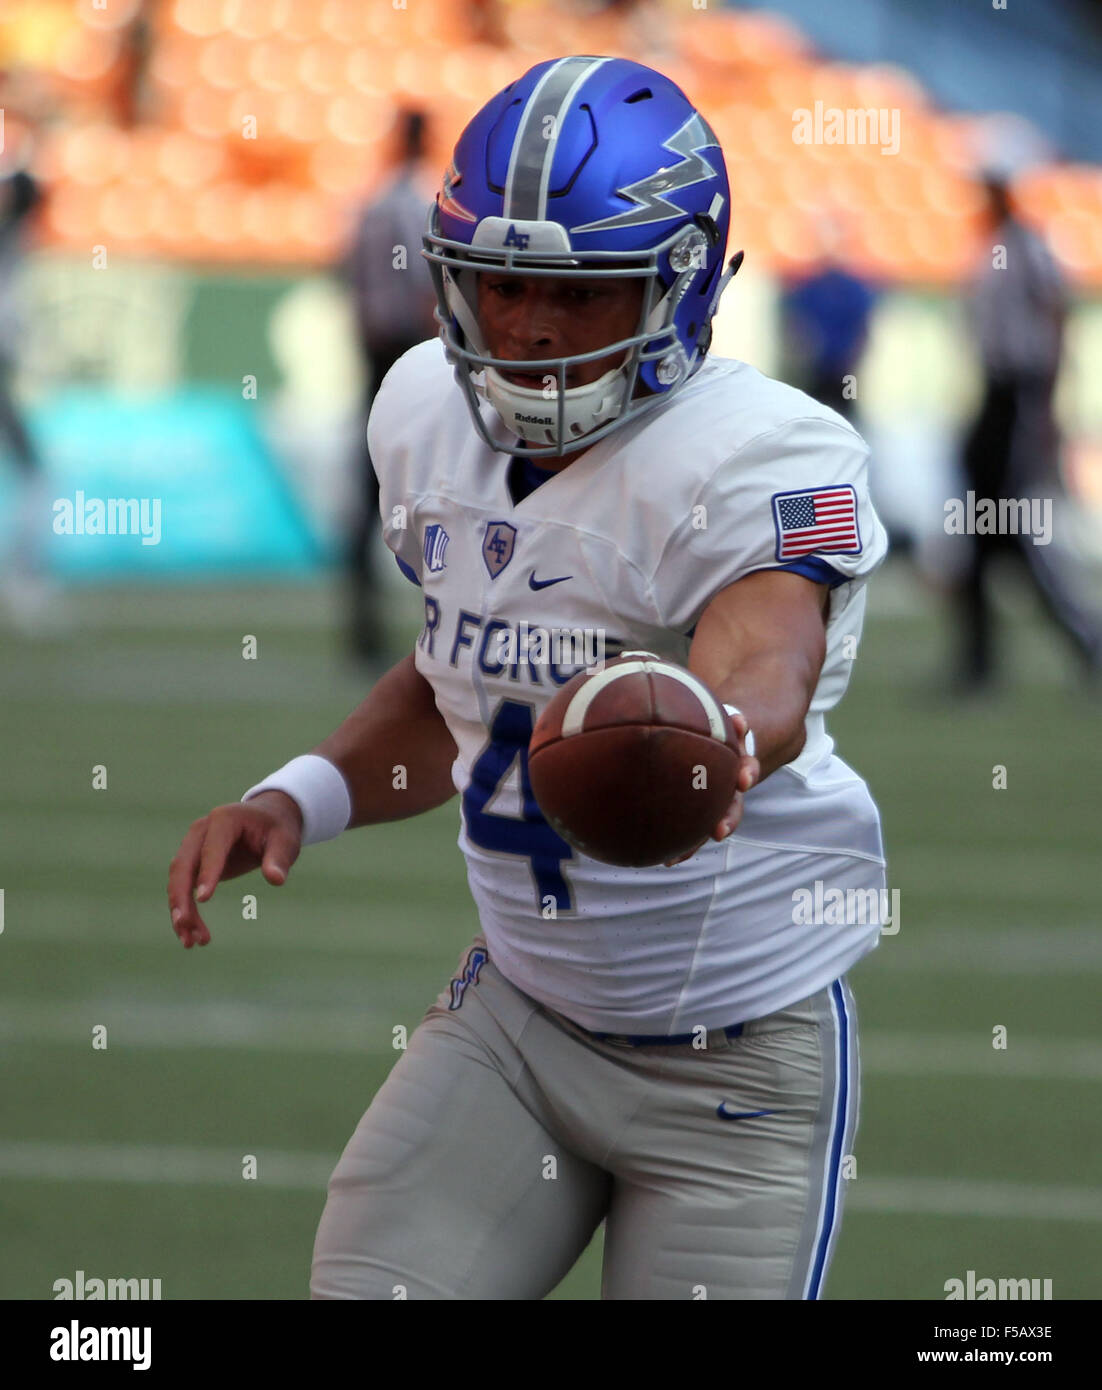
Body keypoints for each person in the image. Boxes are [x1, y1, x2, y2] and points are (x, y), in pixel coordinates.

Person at [168, 56, 889, 1300]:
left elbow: (767, 661)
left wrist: (712, 739)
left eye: (579, 290)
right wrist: (301, 795)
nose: (530, 326)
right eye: (502, 283)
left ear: (679, 284)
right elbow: (458, 675)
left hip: (736, 1056)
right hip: (518, 1020)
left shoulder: (767, 451)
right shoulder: (421, 412)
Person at [951, 171, 1100, 691]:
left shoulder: (1029, 248)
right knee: (982, 533)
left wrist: (1045, 409)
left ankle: (1085, 641)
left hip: (1019, 399)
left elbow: (1055, 315)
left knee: (1018, 532)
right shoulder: (994, 246)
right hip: (997, 398)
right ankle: (979, 660)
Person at [341, 108, 438, 660]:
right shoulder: (416, 203)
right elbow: (427, 289)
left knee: (367, 486)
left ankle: (361, 622)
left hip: (374, 352)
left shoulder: (369, 204)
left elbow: (347, 280)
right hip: (408, 353)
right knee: (435, 479)